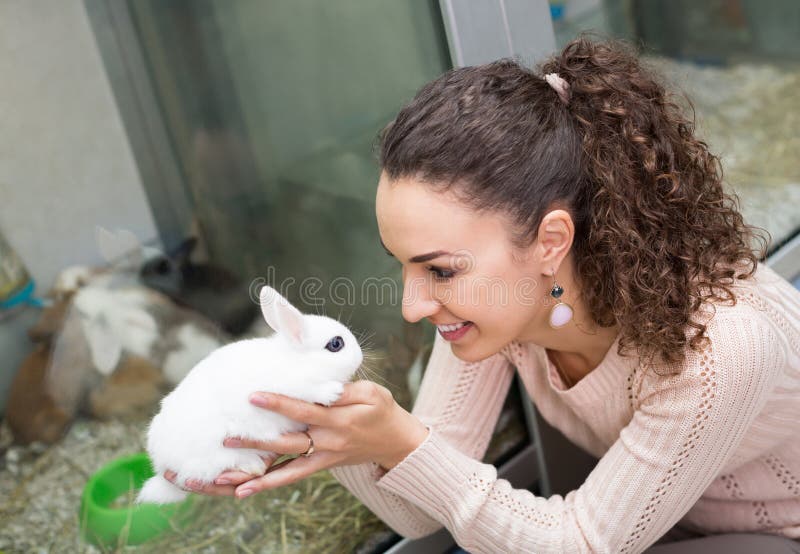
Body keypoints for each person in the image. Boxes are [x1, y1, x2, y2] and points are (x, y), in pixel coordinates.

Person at [168, 36, 800, 553]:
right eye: (404, 267)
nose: (413, 306)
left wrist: (405, 442)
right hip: (678, 524)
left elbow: (579, 544)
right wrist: (332, 428)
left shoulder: (722, 346)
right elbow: (417, 515)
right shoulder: (505, 309)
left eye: (439, 270)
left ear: (551, 240)